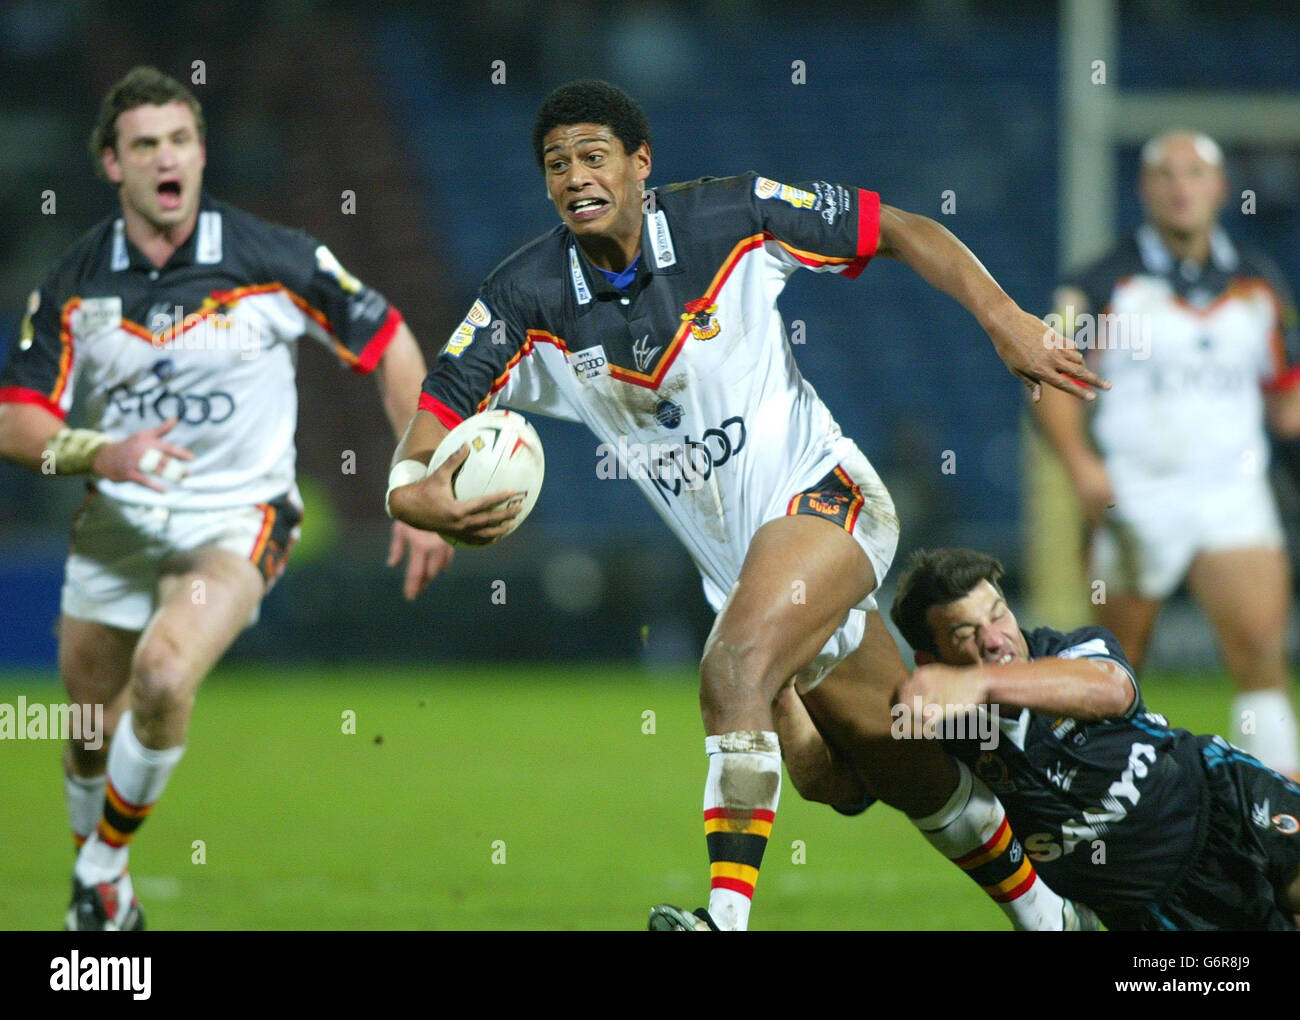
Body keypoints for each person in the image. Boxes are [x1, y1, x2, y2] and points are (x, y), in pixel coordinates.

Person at [386, 79, 1108, 931]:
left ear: (639, 163)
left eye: (592, 156)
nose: (575, 176)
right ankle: (1054, 919)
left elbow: (903, 228)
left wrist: (1004, 318)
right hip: (742, 574)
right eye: (556, 164)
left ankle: (722, 923)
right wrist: (415, 498)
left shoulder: (730, 216)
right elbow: (424, 435)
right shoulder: (526, 296)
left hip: (826, 499)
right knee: (881, 768)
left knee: (730, 670)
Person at [0, 66, 452, 930]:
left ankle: (99, 874)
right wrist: (106, 449)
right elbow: (17, 423)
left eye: (179, 140)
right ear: (112, 166)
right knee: (92, 724)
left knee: (164, 675)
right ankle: (101, 878)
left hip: (238, 518)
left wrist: (419, 477)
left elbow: (389, 340)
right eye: (145, 145)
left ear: (201, 154)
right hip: (116, 523)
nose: (165, 158)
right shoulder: (73, 281)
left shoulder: (274, 258)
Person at [776, 547, 1300, 930]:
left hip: (1227, 799)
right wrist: (779, 695)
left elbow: (1110, 690)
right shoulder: (943, 737)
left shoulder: (1070, 650)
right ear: (929, 661)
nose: (995, 639)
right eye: (965, 634)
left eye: (998, 614)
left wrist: (980, 679)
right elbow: (836, 787)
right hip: (1149, 907)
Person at [1036, 130, 1300, 777]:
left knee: (1261, 654)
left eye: (1194, 173)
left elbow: (1286, 403)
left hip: (1233, 492)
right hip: (1136, 492)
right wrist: (1082, 468)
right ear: (1144, 189)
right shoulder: (1100, 284)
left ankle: (1281, 818)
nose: (1180, 186)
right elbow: (1048, 383)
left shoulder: (1258, 285)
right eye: (1165, 174)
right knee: (1118, 666)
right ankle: (1109, 811)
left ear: (1218, 188)